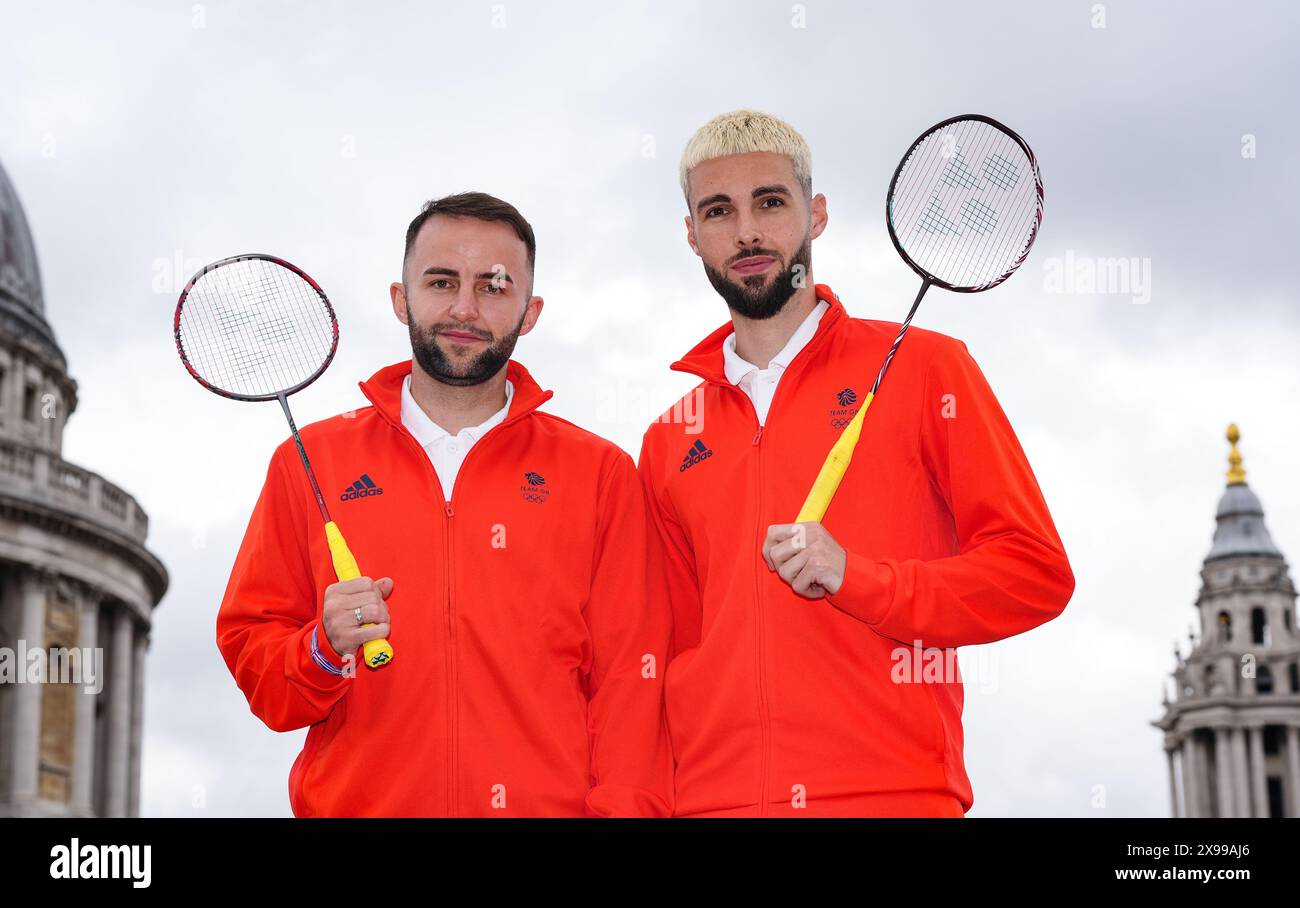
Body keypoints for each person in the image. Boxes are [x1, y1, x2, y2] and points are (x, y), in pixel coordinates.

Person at [637, 109, 1076, 817]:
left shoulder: (927, 367)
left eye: (770, 202)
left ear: (815, 214)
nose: (747, 232)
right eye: (719, 211)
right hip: (711, 806)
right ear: (693, 234)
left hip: (890, 795)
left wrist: (860, 580)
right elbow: (662, 648)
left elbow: (1034, 574)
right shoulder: (667, 439)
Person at [216, 191, 673, 817]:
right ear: (401, 298)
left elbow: (633, 691)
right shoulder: (308, 461)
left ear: (530, 310)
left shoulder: (601, 474)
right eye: (441, 281)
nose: (464, 308)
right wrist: (321, 648)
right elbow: (263, 678)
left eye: (493, 286)